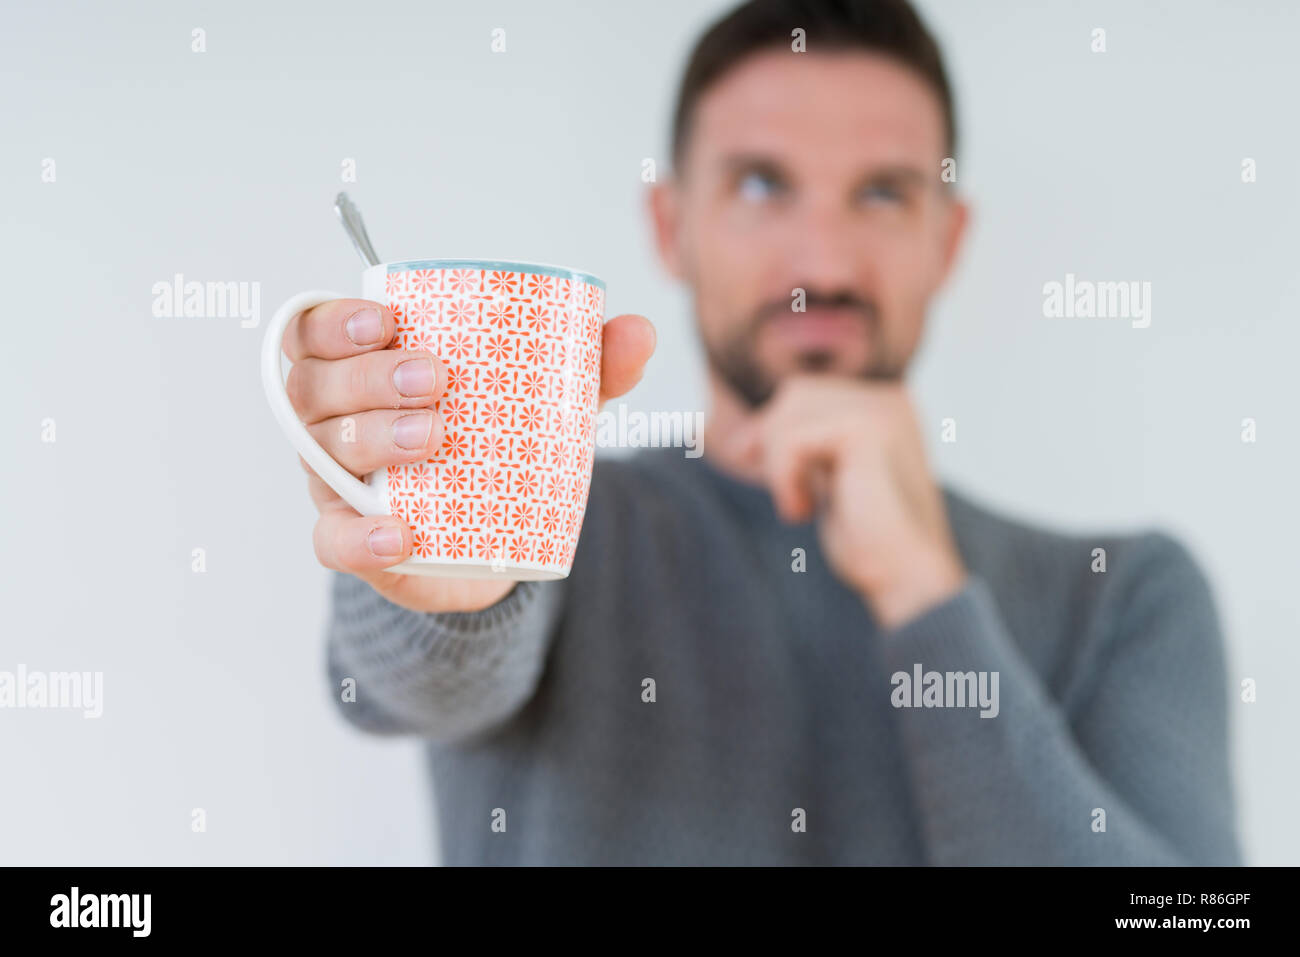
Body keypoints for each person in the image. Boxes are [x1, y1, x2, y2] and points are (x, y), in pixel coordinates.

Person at [283, 0, 1242, 864]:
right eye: (759, 186)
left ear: (947, 240)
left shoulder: (1125, 598)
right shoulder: (556, 521)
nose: (820, 261)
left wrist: (925, 592)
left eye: (881, 193)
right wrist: (449, 574)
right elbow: (420, 683)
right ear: (672, 226)